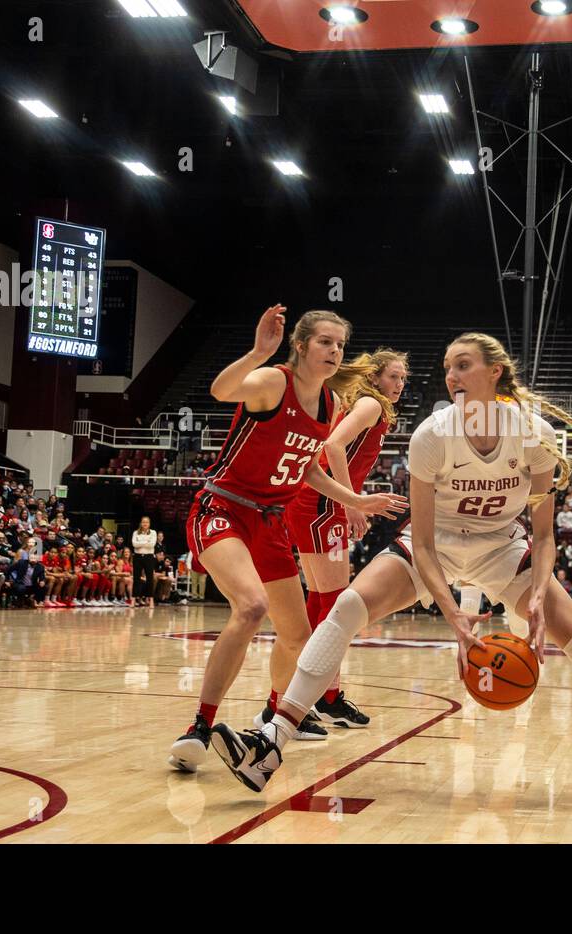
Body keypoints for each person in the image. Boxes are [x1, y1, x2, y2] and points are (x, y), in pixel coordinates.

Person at [209, 331, 572, 805]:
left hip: (502, 544)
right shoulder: (432, 434)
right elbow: (427, 543)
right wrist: (452, 613)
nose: (451, 375)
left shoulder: (536, 435)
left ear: (495, 372)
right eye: (448, 367)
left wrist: (537, 593)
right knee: (347, 608)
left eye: (463, 365)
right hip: (438, 544)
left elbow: (543, 536)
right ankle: (269, 745)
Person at [166, 306, 406, 773]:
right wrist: (259, 352)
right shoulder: (274, 381)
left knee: (298, 637)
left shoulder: (332, 406)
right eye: (324, 342)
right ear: (300, 345)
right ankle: (199, 725)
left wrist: (353, 501)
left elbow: (310, 468)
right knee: (252, 607)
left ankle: (272, 719)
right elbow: (221, 390)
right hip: (224, 507)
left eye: (339, 344)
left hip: (271, 522)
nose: (334, 351)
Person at [283, 347, 408, 728]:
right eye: (394, 377)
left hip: (315, 502)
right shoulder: (370, 405)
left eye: (403, 378)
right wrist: (353, 502)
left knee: (321, 600)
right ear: (374, 378)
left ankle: (319, 695)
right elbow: (332, 447)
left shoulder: (368, 405)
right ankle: (315, 697)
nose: (400, 384)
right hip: (323, 504)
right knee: (337, 604)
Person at [131, 516, 158, 607]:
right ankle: (133, 600)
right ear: (141, 523)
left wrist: (141, 543)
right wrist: (146, 542)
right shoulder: (136, 532)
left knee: (150, 579)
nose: (145, 524)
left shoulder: (153, 532)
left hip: (149, 557)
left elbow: (152, 544)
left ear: (149, 524)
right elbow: (134, 544)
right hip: (137, 557)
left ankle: (150, 600)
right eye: (143, 522)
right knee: (136, 578)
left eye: (147, 522)